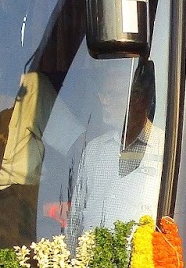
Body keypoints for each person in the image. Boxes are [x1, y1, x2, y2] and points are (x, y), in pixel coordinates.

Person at [66, 62, 164, 239]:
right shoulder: (95, 149)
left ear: (139, 100)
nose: (104, 102)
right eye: (103, 95)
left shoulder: (165, 148)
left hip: (142, 254)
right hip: (92, 253)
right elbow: (76, 216)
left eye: (112, 95)